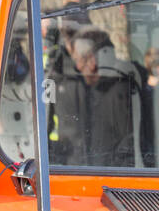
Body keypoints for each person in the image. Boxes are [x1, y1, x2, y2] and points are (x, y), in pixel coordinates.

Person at [47, 29, 139, 167]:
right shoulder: (93, 91)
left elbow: (128, 145)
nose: (77, 67)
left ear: (92, 61)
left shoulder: (116, 93)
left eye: (78, 60)